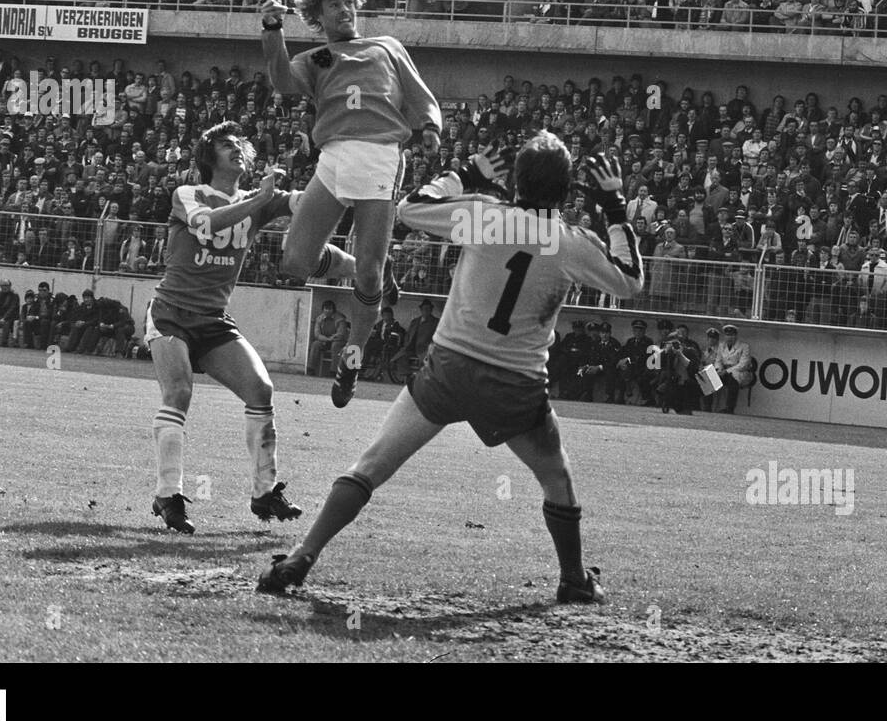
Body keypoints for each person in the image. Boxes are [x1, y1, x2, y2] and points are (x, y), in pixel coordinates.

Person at [257, 138, 643, 604]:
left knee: (372, 465)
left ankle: (302, 555)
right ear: (566, 192)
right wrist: (616, 206)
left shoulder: (485, 215)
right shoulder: (570, 242)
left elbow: (410, 208)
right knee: (556, 479)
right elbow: (630, 280)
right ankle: (574, 579)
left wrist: (469, 173)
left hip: (449, 368)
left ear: (516, 181)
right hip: (515, 384)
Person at [261, 0, 439, 409]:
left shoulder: (386, 46)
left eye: (346, 1)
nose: (342, 9)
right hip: (333, 157)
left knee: (370, 275)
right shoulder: (321, 58)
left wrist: (430, 125)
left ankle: (353, 357)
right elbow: (282, 81)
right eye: (332, 5)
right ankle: (367, 266)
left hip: (379, 154)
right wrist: (271, 29)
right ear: (317, 17)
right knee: (296, 261)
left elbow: (420, 94)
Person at [142, 120, 305, 535]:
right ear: (207, 156)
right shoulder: (188, 193)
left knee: (261, 391)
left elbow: (308, 203)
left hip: (214, 321)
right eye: (225, 143)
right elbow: (205, 225)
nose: (236, 148)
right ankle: (168, 495)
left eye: (240, 143)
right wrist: (259, 201)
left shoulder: (261, 198)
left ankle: (265, 492)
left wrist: (346, 174)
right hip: (171, 313)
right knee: (178, 391)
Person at [712, 324, 753, 414]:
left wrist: (726, 371)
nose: (729, 338)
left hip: (741, 373)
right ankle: (707, 407)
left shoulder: (744, 346)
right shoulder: (721, 346)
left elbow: (743, 364)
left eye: (731, 335)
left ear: (735, 336)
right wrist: (718, 370)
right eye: (727, 335)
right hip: (724, 372)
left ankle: (729, 408)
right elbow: (718, 361)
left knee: (733, 379)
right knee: (710, 378)